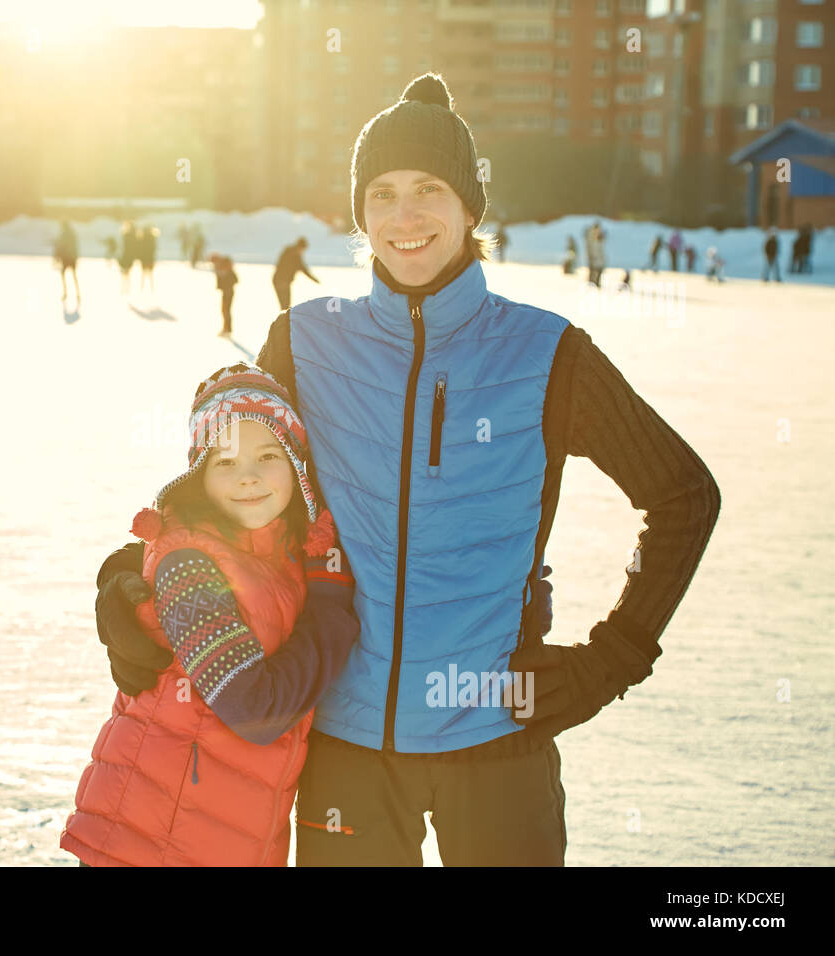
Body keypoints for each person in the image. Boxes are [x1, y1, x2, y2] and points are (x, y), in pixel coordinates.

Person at [92, 72, 720, 867]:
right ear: (361, 216)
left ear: (468, 209)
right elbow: (233, 489)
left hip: (498, 734)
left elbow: (684, 495)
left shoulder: (547, 354)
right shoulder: (306, 342)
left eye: (429, 189)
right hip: (344, 746)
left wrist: (615, 657)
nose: (406, 216)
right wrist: (129, 579)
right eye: (382, 195)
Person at [61, 364, 360, 866]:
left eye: (268, 455)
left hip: (216, 838)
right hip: (151, 842)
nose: (248, 475)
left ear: (297, 469)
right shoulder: (190, 566)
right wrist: (332, 608)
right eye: (225, 462)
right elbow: (254, 709)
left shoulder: (283, 559)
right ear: (200, 475)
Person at [272, 236, 319, 311]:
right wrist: (315, 279)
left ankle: (285, 320)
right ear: (300, 247)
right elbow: (303, 269)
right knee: (285, 305)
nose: (303, 252)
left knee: (286, 305)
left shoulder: (291, 252)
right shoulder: (293, 254)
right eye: (303, 250)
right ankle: (284, 321)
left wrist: (314, 279)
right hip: (281, 281)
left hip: (282, 281)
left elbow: (302, 268)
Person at [210, 252, 239, 336]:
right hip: (226, 291)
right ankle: (226, 328)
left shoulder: (224, 266)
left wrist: (225, 284)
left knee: (226, 310)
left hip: (228, 291)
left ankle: (227, 329)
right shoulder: (221, 267)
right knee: (224, 310)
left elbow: (235, 279)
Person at [54, 220, 81, 306]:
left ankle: (66, 292)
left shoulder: (64, 234)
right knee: (73, 275)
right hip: (72, 257)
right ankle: (77, 293)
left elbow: (61, 245)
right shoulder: (72, 233)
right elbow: (75, 245)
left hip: (66, 257)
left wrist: (57, 256)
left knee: (64, 274)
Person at [117, 221, 136, 294]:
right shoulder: (128, 235)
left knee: (125, 273)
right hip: (127, 256)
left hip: (127, 256)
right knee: (126, 274)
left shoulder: (127, 236)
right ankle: (125, 288)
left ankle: (126, 288)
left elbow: (125, 247)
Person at [585, 220, 606, 287]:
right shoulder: (591, 236)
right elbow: (591, 247)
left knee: (598, 270)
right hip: (594, 257)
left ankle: (595, 282)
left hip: (598, 258)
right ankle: (592, 283)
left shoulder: (598, 236)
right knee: (594, 270)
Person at [140, 224, 159, 292]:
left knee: (144, 274)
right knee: (149, 274)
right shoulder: (152, 238)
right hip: (149, 258)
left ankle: (143, 288)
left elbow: (141, 249)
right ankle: (151, 288)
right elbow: (154, 249)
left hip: (145, 258)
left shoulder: (143, 238)